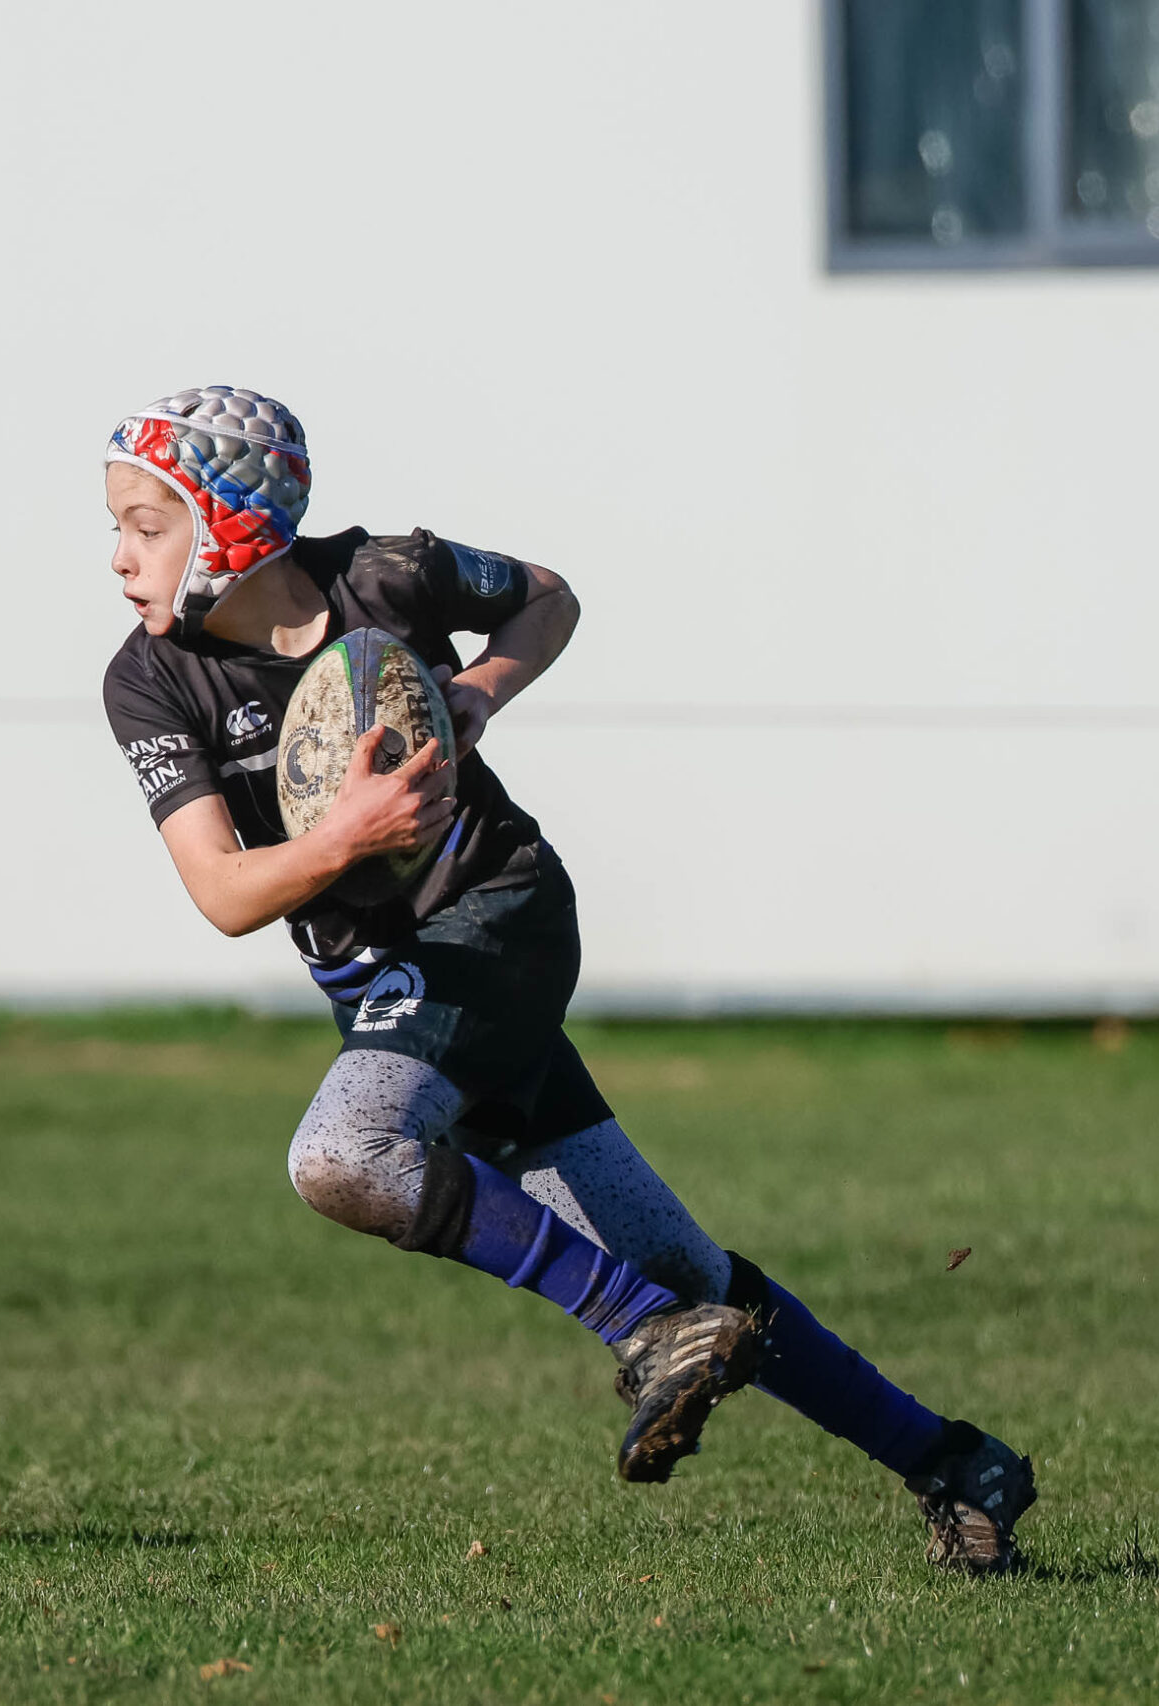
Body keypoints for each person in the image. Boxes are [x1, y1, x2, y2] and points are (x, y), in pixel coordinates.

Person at [98, 385, 1037, 1572]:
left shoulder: (387, 575)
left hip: (497, 918)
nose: (119, 556)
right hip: (386, 985)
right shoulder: (150, 681)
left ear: (230, 521)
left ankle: (647, 1331)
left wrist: (475, 695)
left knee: (340, 1156)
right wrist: (349, 834)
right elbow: (225, 893)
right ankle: (957, 1461)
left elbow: (548, 596)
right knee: (690, 1267)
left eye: (145, 523)